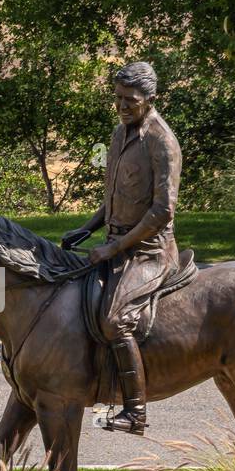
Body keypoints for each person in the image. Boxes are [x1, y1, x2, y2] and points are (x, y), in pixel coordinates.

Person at [62, 61, 181, 434]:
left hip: (149, 252)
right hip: (117, 243)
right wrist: (87, 228)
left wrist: (114, 250)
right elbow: (114, 198)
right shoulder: (119, 135)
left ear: (150, 99)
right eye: (117, 98)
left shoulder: (162, 142)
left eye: (130, 100)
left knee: (115, 320)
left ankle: (135, 412)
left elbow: (162, 211)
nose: (122, 106)